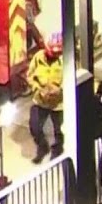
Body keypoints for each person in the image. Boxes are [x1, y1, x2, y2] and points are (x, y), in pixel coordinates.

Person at [26, 32, 65, 163]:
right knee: (34, 126)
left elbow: (73, 75)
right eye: (52, 51)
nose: (55, 55)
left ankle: (57, 150)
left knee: (60, 130)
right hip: (41, 100)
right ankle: (43, 147)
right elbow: (30, 76)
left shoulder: (66, 60)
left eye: (58, 52)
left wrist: (60, 90)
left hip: (59, 103)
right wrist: (38, 89)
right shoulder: (38, 58)